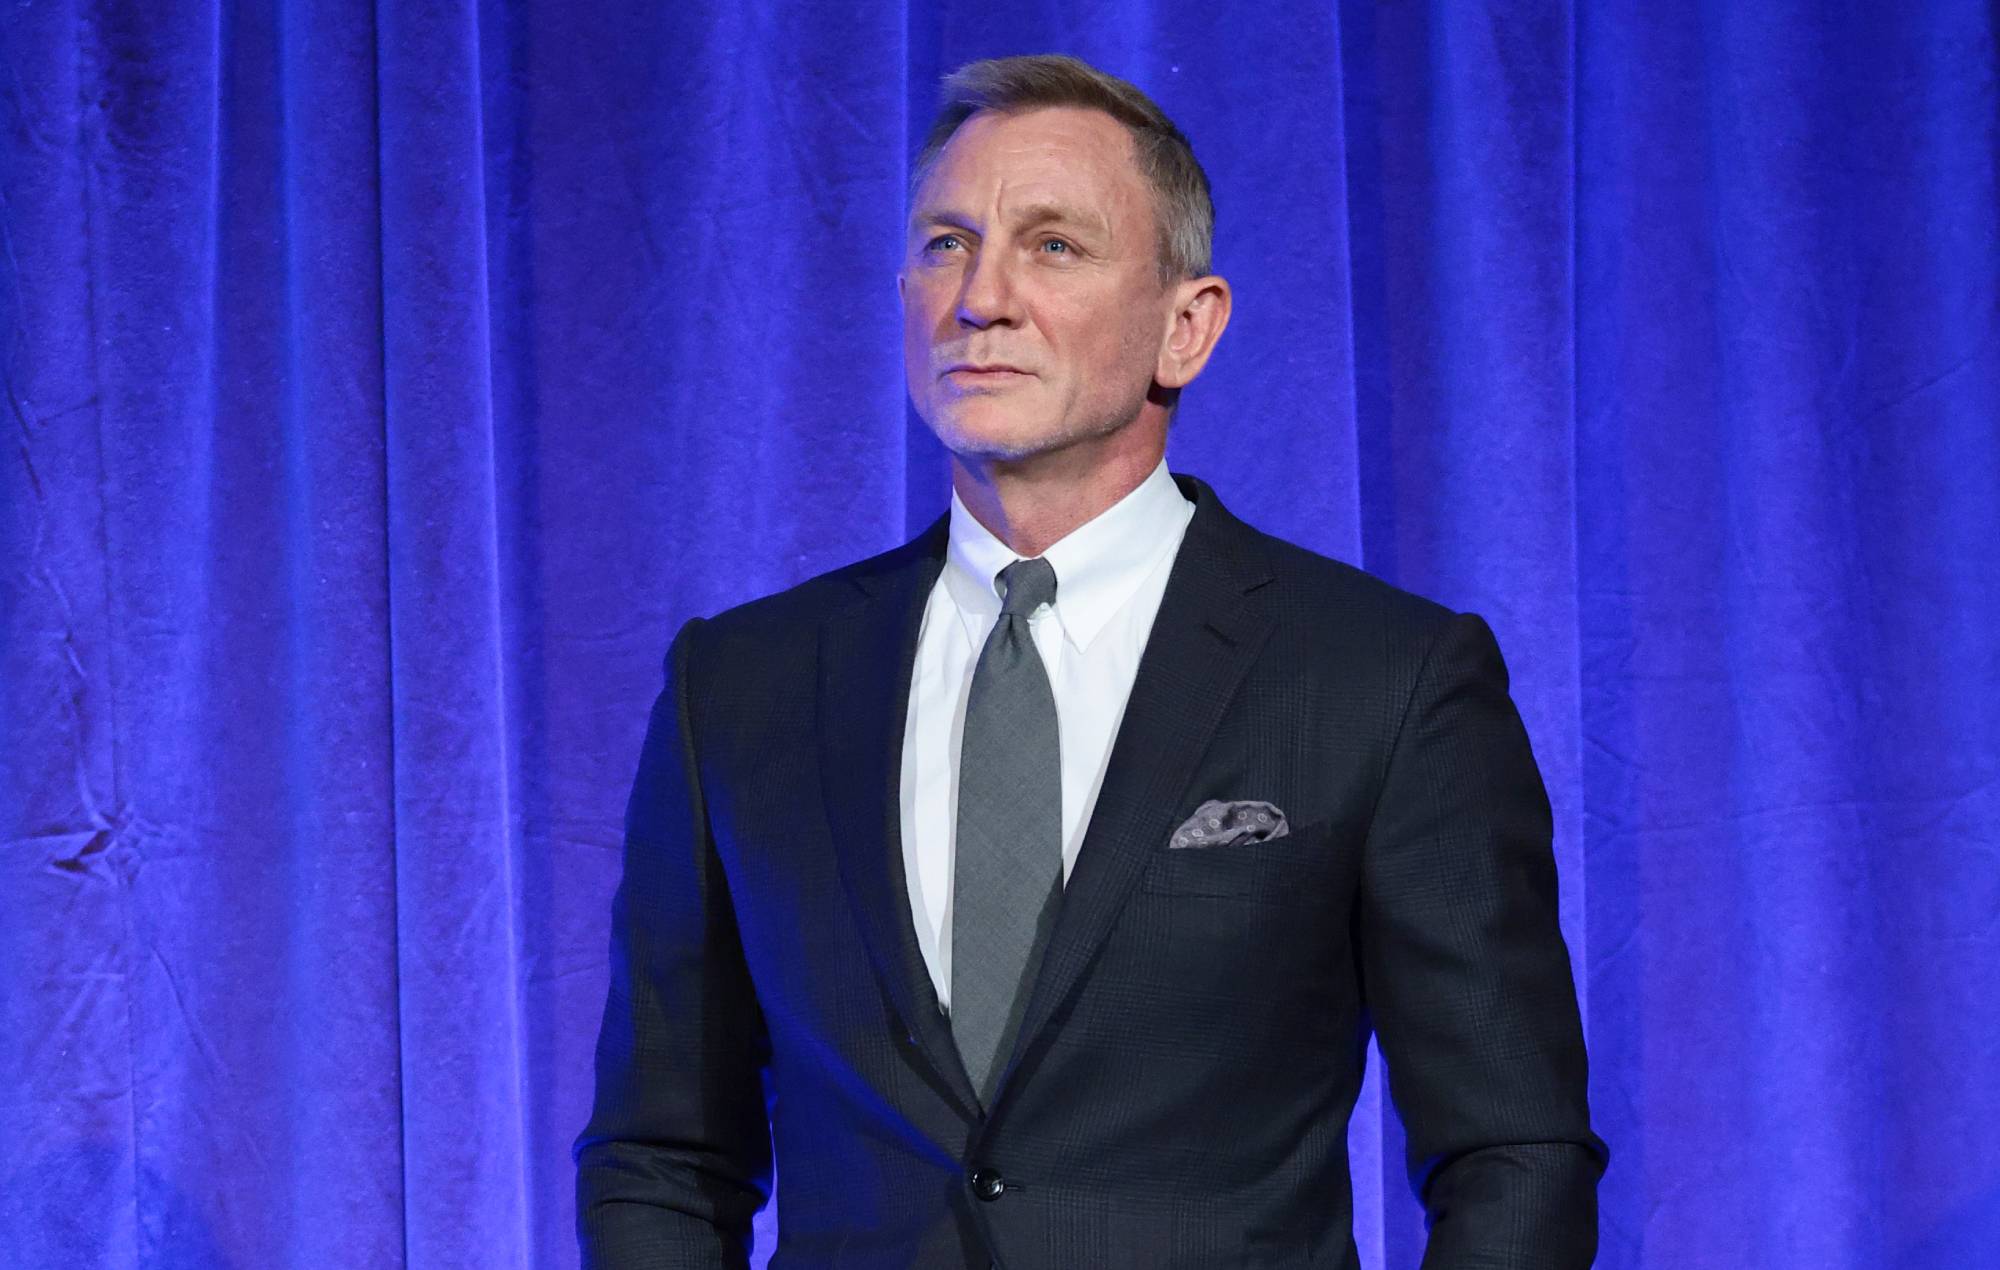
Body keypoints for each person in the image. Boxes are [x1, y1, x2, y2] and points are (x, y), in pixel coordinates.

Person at [575, 52, 1606, 1269]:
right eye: (946, 245)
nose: (981, 298)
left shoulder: (1382, 679)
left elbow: (1512, 1153)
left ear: (1185, 325)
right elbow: (659, 1156)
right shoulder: (740, 685)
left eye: (1052, 245)